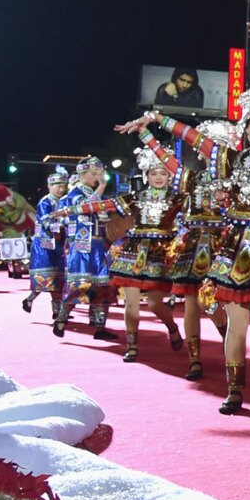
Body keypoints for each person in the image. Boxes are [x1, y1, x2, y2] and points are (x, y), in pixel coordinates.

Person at [121, 90, 250, 415]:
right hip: (234, 249)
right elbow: (194, 143)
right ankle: (235, 388)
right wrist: (153, 123)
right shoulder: (232, 160)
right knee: (235, 320)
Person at [54, 143, 186, 362]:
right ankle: (132, 346)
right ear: (146, 175)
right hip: (133, 253)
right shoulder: (136, 197)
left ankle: (172, 327)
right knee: (131, 303)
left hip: (159, 255)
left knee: (154, 304)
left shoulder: (178, 199)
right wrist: (69, 210)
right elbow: (103, 205)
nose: (159, 177)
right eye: (154, 173)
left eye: (163, 173)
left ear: (169, 176)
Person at [160, 120, 239, 380]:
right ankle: (194, 359)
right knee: (192, 304)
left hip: (222, 245)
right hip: (193, 246)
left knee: (213, 302)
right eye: (205, 147)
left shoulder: (236, 181)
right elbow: (168, 162)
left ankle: (228, 337)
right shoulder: (193, 178)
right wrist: (146, 134)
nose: (209, 152)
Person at [50, 157, 119, 342]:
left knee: (102, 285)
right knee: (79, 285)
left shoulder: (94, 193)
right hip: (82, 247)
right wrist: (102, 187)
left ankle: (100, 326)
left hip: (98, 244)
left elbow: (100, 213)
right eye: (93, 173)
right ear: (81, 175)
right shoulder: (75, 193)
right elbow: (87, 207)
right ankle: (61, 320)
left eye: (98, 173)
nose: (97, 177)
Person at [22, 168, 69, 315]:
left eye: (63, 186)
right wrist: (62, 225)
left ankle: (56, 311)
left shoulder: (64, 201)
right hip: (44, 243)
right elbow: (45, 221)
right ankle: (31, 299)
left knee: (59, 278)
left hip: (59, 243)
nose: (61, 189)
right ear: (49, 186)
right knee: (46, 277)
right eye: (58, 186)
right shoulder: (45, 202)